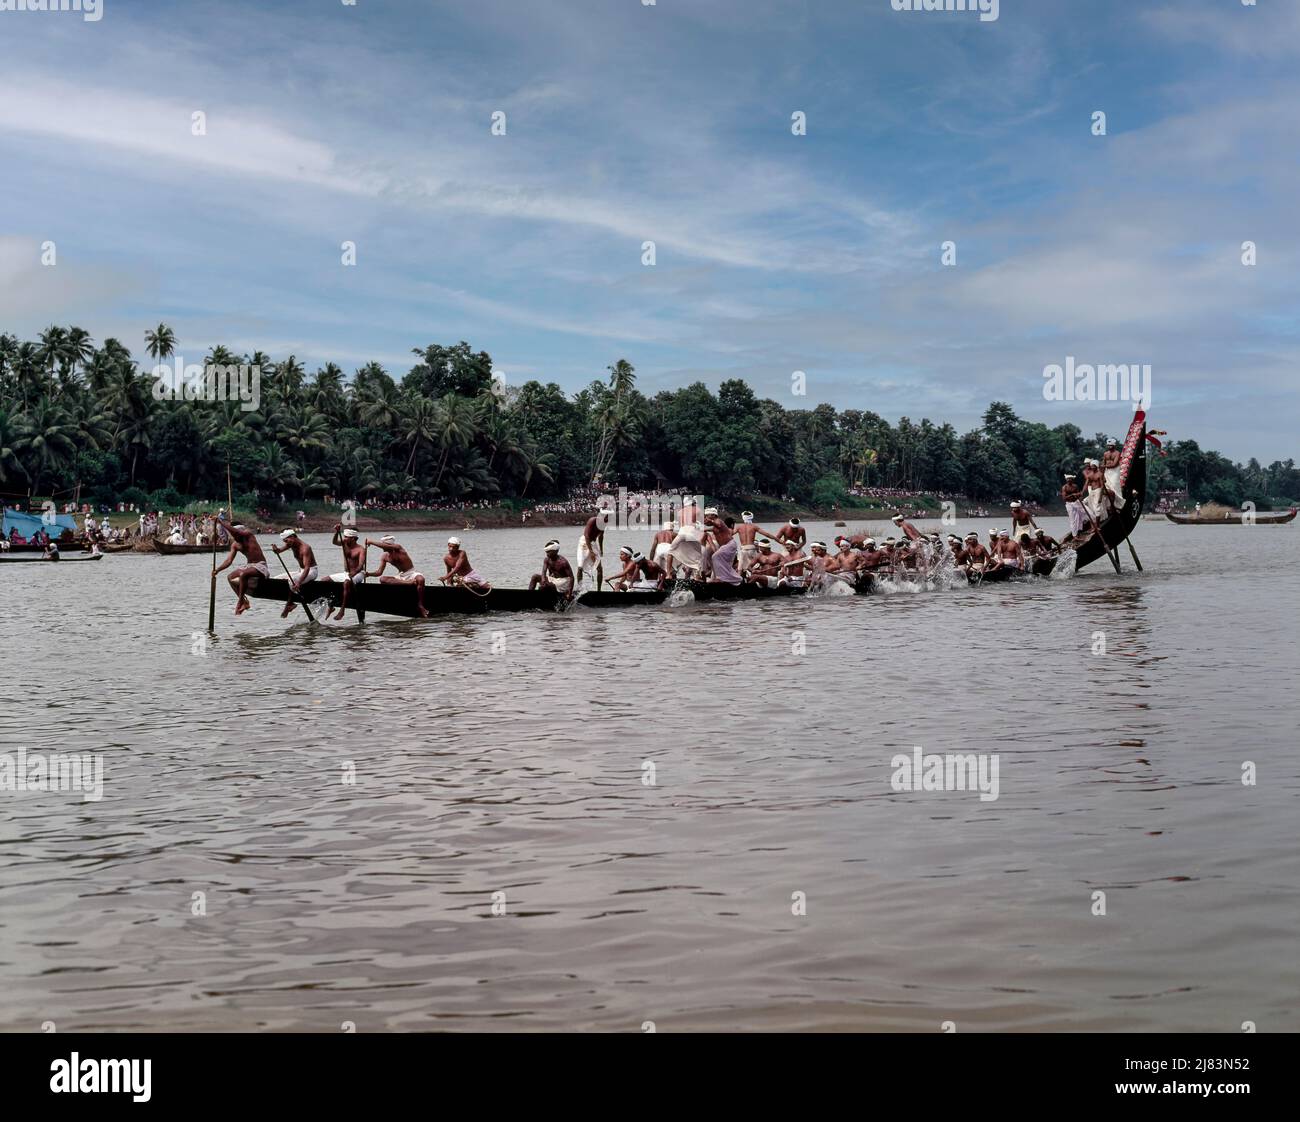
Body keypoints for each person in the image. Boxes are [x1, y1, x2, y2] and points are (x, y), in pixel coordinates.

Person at [365, 535, 429, 618]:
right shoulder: (385, 556)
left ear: (388, 545)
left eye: (383, 544)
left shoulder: (398, 548)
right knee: (383, 579)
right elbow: (379, 572)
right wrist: (369, 574)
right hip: (401, 576)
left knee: (421, 579)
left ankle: (420, 604)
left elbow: (386, 546)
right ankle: (408, 583)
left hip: (411, 573)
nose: (382, 546)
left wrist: (371, 542)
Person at [215, 520, 270, 615]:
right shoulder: (235, 545)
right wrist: (217, 570)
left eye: (235, 535)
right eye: (233, 535)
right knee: (230, 577)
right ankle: (244, 601)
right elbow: (228, 561)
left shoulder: (248, 535)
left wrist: (220, 522)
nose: (234, 537)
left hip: (260, 565)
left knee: (243, 574)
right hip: (249, 566)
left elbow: (236, 532)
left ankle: (240, 602)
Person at [270, 528, 319, 618]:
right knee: (276, 579)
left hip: (311, 571)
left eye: (286, 540)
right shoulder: (291, 544)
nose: (286, 543)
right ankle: (291, 597)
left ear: (292, 537)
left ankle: (290, 604)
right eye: (284, 541)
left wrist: (299, 582)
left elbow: (307, 568)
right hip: (300, 570)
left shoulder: (305, 548)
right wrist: (276, 550)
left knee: (292, 580)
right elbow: (279, 551)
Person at [325, 524, 367, 620]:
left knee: (346, 582)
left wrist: (355, 572)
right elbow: (334, 542)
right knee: (325, 580)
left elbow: (360, 565)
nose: (345, 538)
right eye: (344, 536)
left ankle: (342, 610)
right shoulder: (344, 542)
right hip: (346, 573)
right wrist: (337, 532)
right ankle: (331, 605)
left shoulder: (361, 549)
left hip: (359, 573)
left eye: (347, 537)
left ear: (353, 538)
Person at [576, 508, 609, 588]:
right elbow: (587, 536)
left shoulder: (604, 523)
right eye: (605, 516)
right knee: (580, 566)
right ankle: (579, 588)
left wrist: (601, 549)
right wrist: (591, 551)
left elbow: (601, 536)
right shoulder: (592, 520)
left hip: (593, 543)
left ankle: (599, 590)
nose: (607, 518)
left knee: (599, 568)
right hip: (584, 542)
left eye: (608, 517)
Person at [1061, 474, 1086, 539]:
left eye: (1071, 479)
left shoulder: (1075, 486)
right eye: (1068, 479)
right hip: (1069, 504)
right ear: (1066, 480)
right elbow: (1064, 498)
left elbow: (1079, 494)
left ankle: (1080, 530)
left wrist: (1078, 495)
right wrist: (1072, 495)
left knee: (1081, 515)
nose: (1069, 480)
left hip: (1076, 502)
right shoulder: (1064, 487)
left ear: (1072, 480)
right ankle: (1074, 535)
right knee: (1073, 520)